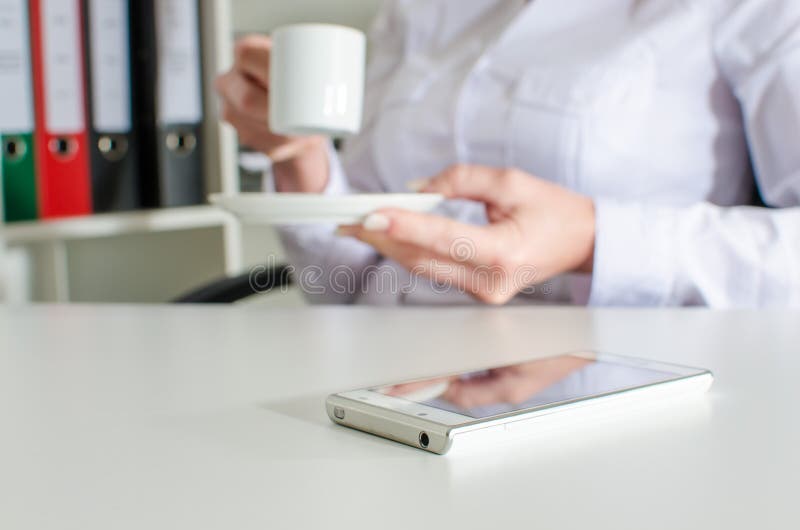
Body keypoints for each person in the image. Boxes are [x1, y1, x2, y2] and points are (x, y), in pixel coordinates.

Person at [215, 0, 800, 307]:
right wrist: (297, 153)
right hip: (386, 391)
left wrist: (595, 239)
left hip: (608, 391)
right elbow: (344, 287)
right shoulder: (417, 10)